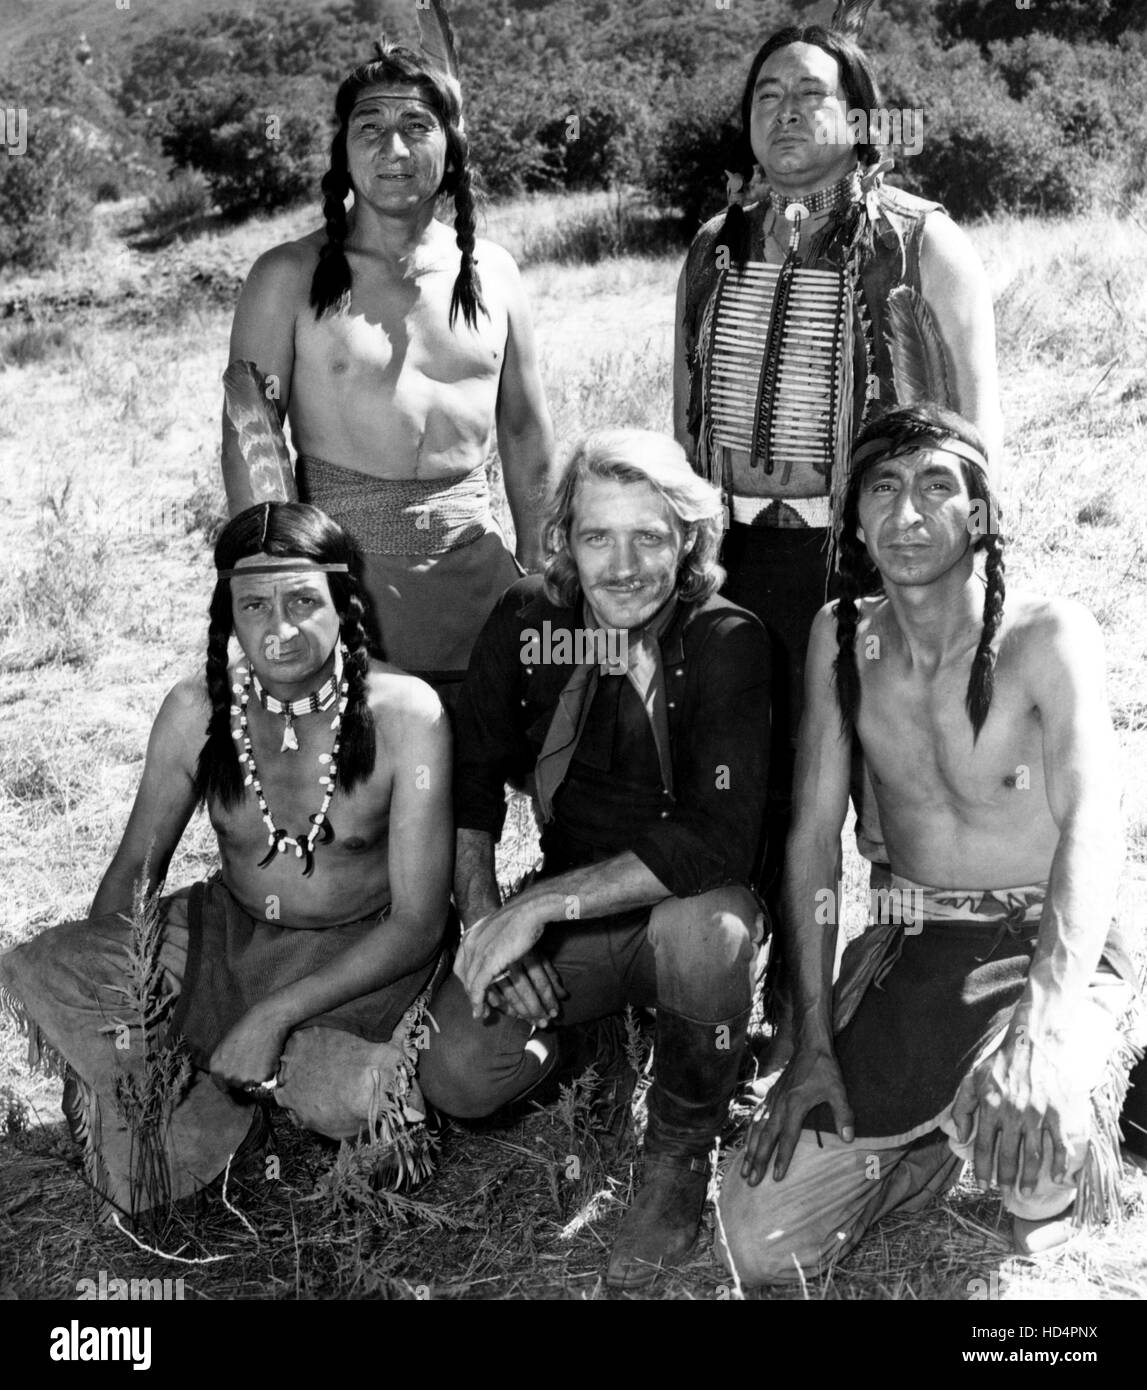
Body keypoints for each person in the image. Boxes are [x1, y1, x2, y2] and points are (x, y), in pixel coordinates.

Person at [716, 405, 1141, 1285]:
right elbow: (810, 848)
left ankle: (1070, 1073)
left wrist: (1041, 1024)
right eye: (883, 489)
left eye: (936, 487)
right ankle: (937, 1134)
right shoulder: (842, 637)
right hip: (909, 946)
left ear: (980, 509)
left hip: (1041, 939)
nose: (907, 516)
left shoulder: (1046, 635)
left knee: (1031, 1167)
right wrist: (813, 1045)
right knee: (759, 1245)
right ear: (855, 518)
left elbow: (1095, 823)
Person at [0, 503, 452, 1223]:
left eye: (304, 600)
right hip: (225, 935)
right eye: (254, 605)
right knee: (40, 965)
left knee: (358, 1099)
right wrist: (121, 1024)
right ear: (229, 617)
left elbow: (420, 924)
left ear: (345, 604)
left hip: (361, 956)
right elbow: (133, 872)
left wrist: (271, 1017)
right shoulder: (196, 710)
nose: (279, 628)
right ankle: (224, 1091)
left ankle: (271, 1071)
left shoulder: (408, 715)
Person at [417, 429, 771, 1290]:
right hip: (572, 910)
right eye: (595, 537)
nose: (621, 567)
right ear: (563, 541)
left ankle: (682, 1147)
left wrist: (535, 909)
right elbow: (471, 786)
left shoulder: (728, 639)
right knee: (456, 1074)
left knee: (707, 929)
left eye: (648, 537)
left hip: (678, 906)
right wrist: (485, 924)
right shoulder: (528, 617)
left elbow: (713, 840)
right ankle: (583, 1041)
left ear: (689, 538)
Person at [673, 9, 1003, 924]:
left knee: (892, 785)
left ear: (861, 118)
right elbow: (682, 428)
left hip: (868, 559)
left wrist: (956, 581)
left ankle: (901, 973)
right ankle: (764, 986)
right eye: (766, 96)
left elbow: (974, 443)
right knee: (749, 783)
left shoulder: (922, 243)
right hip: (732, 556)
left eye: (811, 95)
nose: (784, 112)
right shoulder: (713, 247)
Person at [222, 17, 555, 708]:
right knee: (363, 802)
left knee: (477, 797)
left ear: (453, 144)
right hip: (345, 584)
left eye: (416, 125)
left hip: (480, 583)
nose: (393, 147)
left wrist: (546, 572)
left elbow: (524, 433)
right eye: (368, 128)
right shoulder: (285, 275)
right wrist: (284, 584)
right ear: (342, 152)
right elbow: (252, 438)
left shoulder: (493, 272)